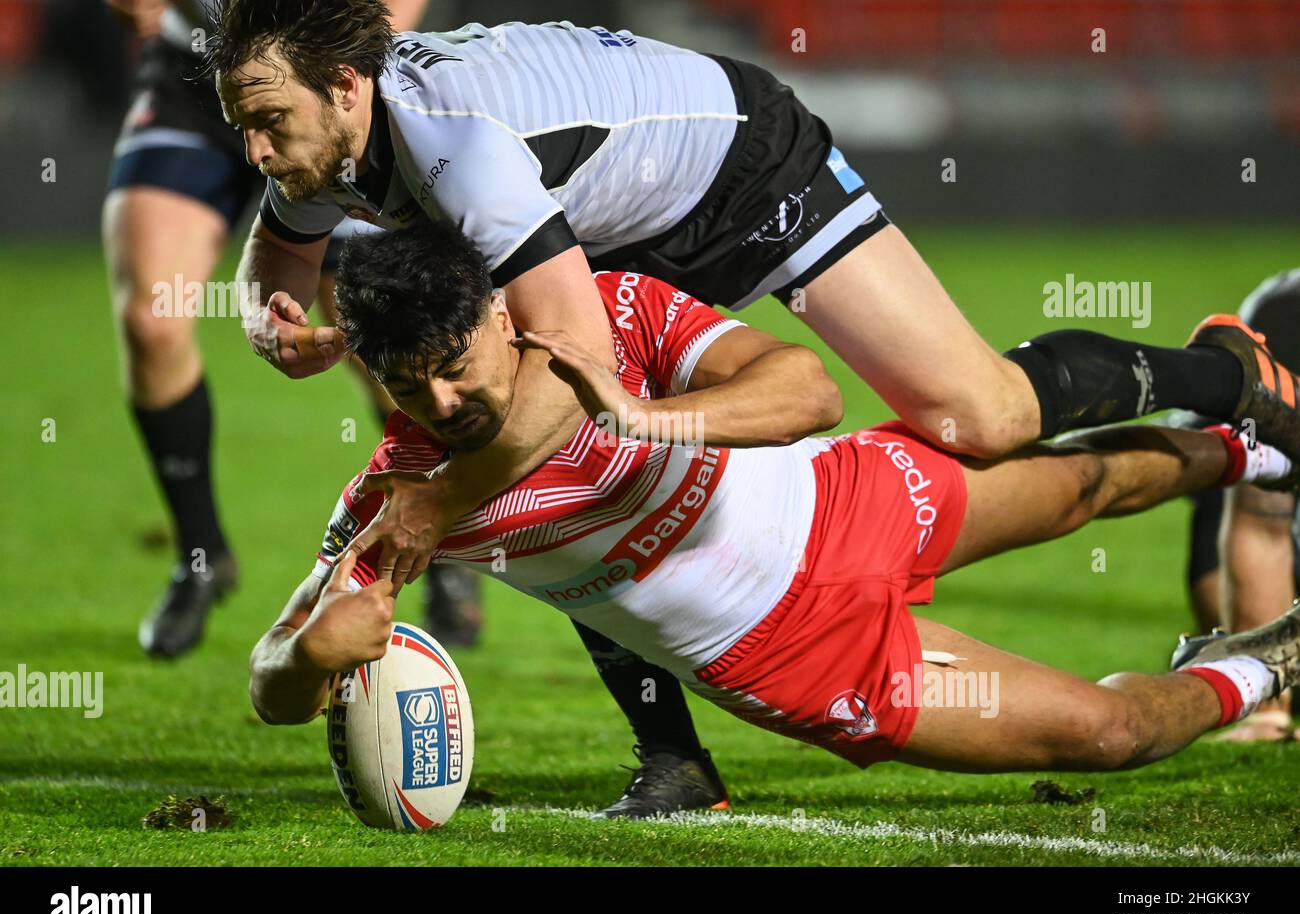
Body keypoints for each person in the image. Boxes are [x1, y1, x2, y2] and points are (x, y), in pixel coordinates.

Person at [211, 2, 1300, 815]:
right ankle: (674, 760)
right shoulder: (319, 142)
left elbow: (584, 362)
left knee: (987, 416)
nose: (255, 150)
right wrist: (273, 320)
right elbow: (282, 241)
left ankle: (1228, 377)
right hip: (619, 237)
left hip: (733, 167)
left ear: (350, 86)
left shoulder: (464, 158)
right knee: (556, 486)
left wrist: (442, 505)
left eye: (265, 122)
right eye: (241, 127)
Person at [250, 222, 1300, 789]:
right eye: (404, 383)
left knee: (1085, 482)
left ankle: (1260, 445)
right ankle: (1268, 659)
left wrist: (638, 418)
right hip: (798, 657)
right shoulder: (400, 498)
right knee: (1106, 733)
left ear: (495, 309)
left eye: (451, 364)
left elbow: (810, 391)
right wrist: (309, 654)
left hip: (838, 499)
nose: (440, 401)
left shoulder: (607, 316)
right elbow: (271, 683)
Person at [101, 0, 482, 660]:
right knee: (150, 319)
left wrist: (344, 64)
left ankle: (434, 538)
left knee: (373, 330)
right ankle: (199, 556)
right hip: (196, 73)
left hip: (324, 82)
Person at [1184, 269, 1300, 741]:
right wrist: (1266, 706)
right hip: (1280, 549)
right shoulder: (1286, 316)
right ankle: (1257, 672)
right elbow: (1259, 522)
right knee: (1234, 463)